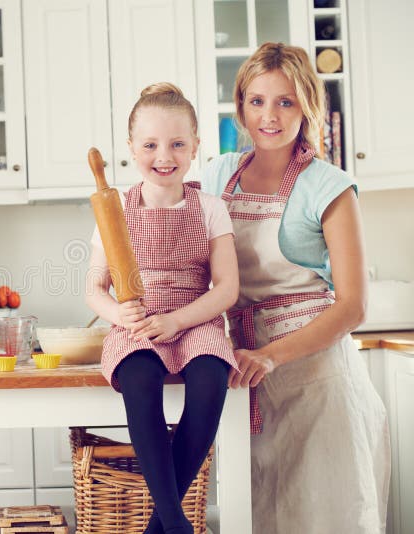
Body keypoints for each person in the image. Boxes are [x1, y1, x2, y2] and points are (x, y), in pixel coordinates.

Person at [200, 42, 390, 533]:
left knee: (323, 516)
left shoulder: (329, 186)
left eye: (285, 101)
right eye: (257, 100)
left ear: (307, 105)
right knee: (257, 514)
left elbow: (352, 305)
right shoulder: (217, 175)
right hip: (246, 379)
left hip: (316, 383)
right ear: (240, 105)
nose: (270, 116)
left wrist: (271, 355)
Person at [86, 83, 239, 534]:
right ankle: (176, 524)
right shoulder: (113, 210)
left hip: (195, 318)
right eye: (150, 145)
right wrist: (117, 315)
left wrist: (177, 320)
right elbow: (94, 287)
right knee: (140, 382)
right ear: (131, 148)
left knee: (212, 381)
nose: (163, 155)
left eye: (177, 144)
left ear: (195, 147)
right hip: (138, 322)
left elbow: (227, 288)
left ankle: (162, 526)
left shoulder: (210, 208)